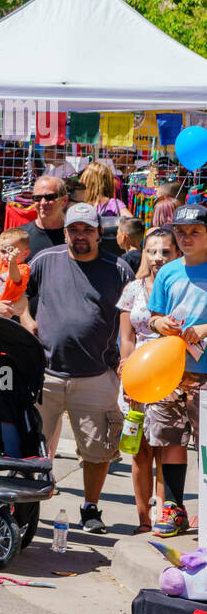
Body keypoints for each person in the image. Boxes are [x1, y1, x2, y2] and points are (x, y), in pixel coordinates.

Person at [20, 203, 133, 534]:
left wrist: (126, 361)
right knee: (31, 445)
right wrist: (27, 320)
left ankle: (91, 508)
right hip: (46, 373)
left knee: (97, 450)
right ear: (65, 231)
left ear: (100, 232)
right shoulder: (45, 260)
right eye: (74, 230)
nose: (80, 236)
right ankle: (25, 506)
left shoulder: (119, 269)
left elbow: (131, 316)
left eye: (87, 229)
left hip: (96, 375)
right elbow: (19, 293)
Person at [146, 206, 207, 538]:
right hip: (171, 370)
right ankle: (174, 507)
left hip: (205, 372)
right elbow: (153, 316)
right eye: (181, 232)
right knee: (170, 437)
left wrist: (204, 329)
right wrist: (162, 323)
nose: (186, 238)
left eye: (195, 231)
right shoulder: (169, 272)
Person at [117, 228, 182, 534]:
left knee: (165, 448)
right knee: (140, 450)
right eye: (152, 251)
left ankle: (164, 516)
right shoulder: (133, 290)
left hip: (172, 375)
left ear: (177, 253)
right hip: (137, 378)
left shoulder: (183, 287)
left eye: (165, 252)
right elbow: (126, 340)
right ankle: (144, 520)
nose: (157, 258)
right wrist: (129, 378)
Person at [78, 161, 131, 256]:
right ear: (108, 182)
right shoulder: (114, 203)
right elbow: (131, 221)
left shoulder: (79, 203)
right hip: (111, 255)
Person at [24, 175, 68, 257]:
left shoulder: (74, 236)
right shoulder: (21, 237)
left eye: (49, 197)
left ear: (64, 200)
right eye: (37, 198)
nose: (43, 202)